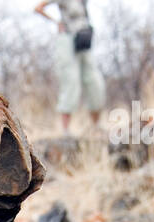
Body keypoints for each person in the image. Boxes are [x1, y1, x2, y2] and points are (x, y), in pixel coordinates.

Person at [34, 0, 105, 133]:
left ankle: (96, 127)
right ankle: (66, 131)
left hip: (84, 39)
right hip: (67, 40)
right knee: (71, 82)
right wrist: (57, 22)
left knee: (94, 83)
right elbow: (38, 8)